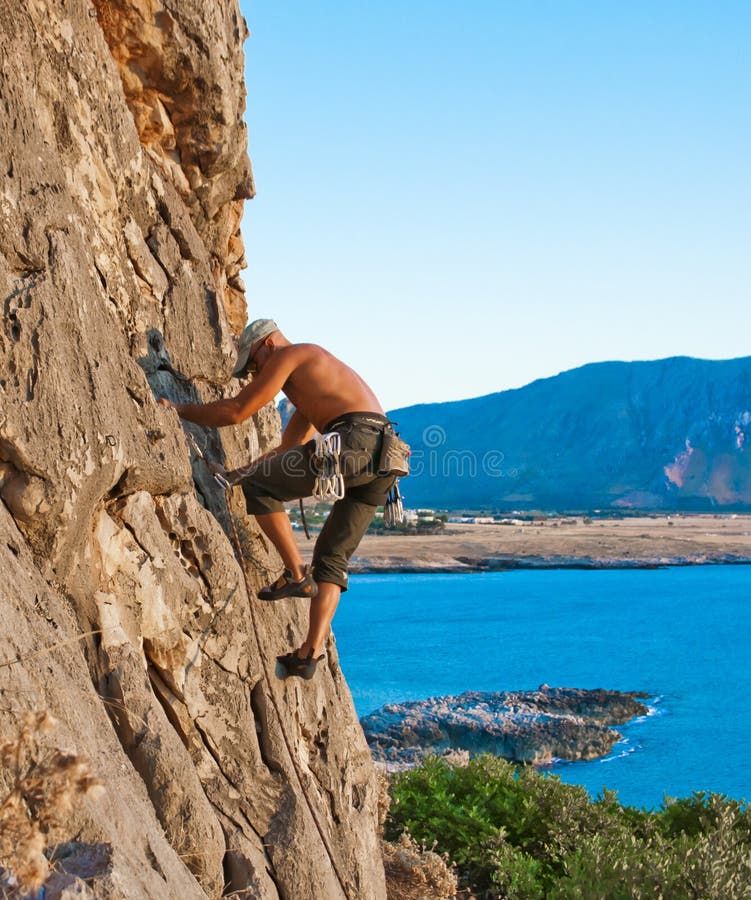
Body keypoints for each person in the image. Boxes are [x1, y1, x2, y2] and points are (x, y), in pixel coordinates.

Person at [159, 318, 399, 680]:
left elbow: (237, 411)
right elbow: (288, 450)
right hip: (386, 460)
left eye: (254, 365)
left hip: (356, 440)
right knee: (332, 559)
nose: (255, 375)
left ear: (268, 344)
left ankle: (295, 574)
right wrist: (242, 473)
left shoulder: (292, 355)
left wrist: (178, 410)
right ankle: (308, 654)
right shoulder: (314, 385)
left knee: (261, 489)